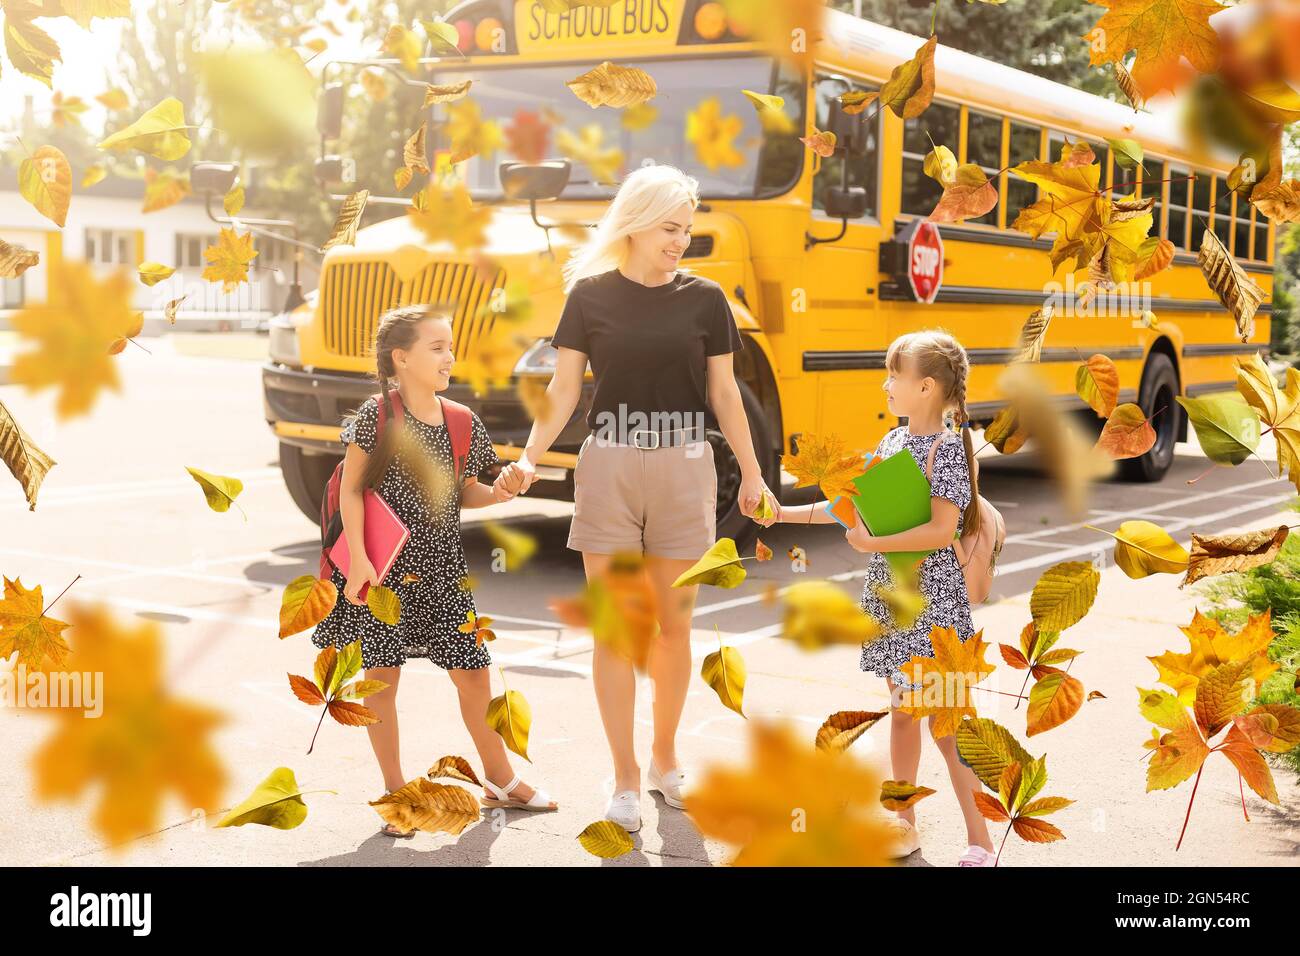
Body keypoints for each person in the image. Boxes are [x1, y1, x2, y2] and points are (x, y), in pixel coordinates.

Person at [493, 164, 777, 832]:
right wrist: (531, 456)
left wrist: (756, 473)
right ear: (636, 222)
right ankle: (623, 778)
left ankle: (663, 760)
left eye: (686, 228)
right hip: (609, 470)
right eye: (669, 228)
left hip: (685, 469)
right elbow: (563, 391)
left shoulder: (706, 299)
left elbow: (726, 394)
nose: (680, 240)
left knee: (674, 628)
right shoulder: (589, 297)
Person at [311, 304, 557, 837]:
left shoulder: (463, 421)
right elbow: (351, 489)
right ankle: (397, 792)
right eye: (437, 347)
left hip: (443, 570)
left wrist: (499, 492)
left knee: (474, 675)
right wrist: (358, 561)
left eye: (450, 346)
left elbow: (464, 491)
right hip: (382, 573)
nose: (450, 356)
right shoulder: (374, 417)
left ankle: (499, 779)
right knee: (381, 680)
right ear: (401, 358)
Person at [773, 329, 995, 867]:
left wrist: (873, 543)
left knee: (946, 728)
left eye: (894, 374)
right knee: (901, 716)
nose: (885, 384)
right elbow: (847, 507)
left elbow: (942, 530)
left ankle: (981, 841)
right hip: (897, 604)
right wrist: (780, 514)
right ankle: (904, 823)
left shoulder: (948, 453)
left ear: (925, 388)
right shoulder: (894, 444)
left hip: (934, 606)